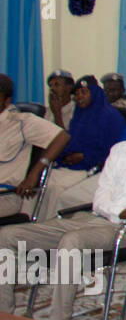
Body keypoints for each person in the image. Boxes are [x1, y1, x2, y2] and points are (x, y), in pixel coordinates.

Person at [0, 102, 126, 320]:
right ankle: (4, 315)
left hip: (125, 231)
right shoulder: (119, 150)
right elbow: (100, 199)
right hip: (93, 218)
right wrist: (124, 211)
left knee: (72, 241)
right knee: (6, 236)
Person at [37, 76, 123, 222]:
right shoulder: (79, 114)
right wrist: (66, 155)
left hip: (91, 168)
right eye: (76, 94)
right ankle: (32, 222)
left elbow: (112, 153)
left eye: (84, 92)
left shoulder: (110, 117)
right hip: (70, 166)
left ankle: (49, 225)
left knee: (56, 189)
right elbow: (70, 141)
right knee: (43, 182)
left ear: (95, 93)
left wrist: (84, 157)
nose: (79, 97)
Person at [0, 73, 71, 222]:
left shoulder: (21, 121)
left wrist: (35, 173)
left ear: (7, 101)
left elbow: (62, 137)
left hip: (6, 195)